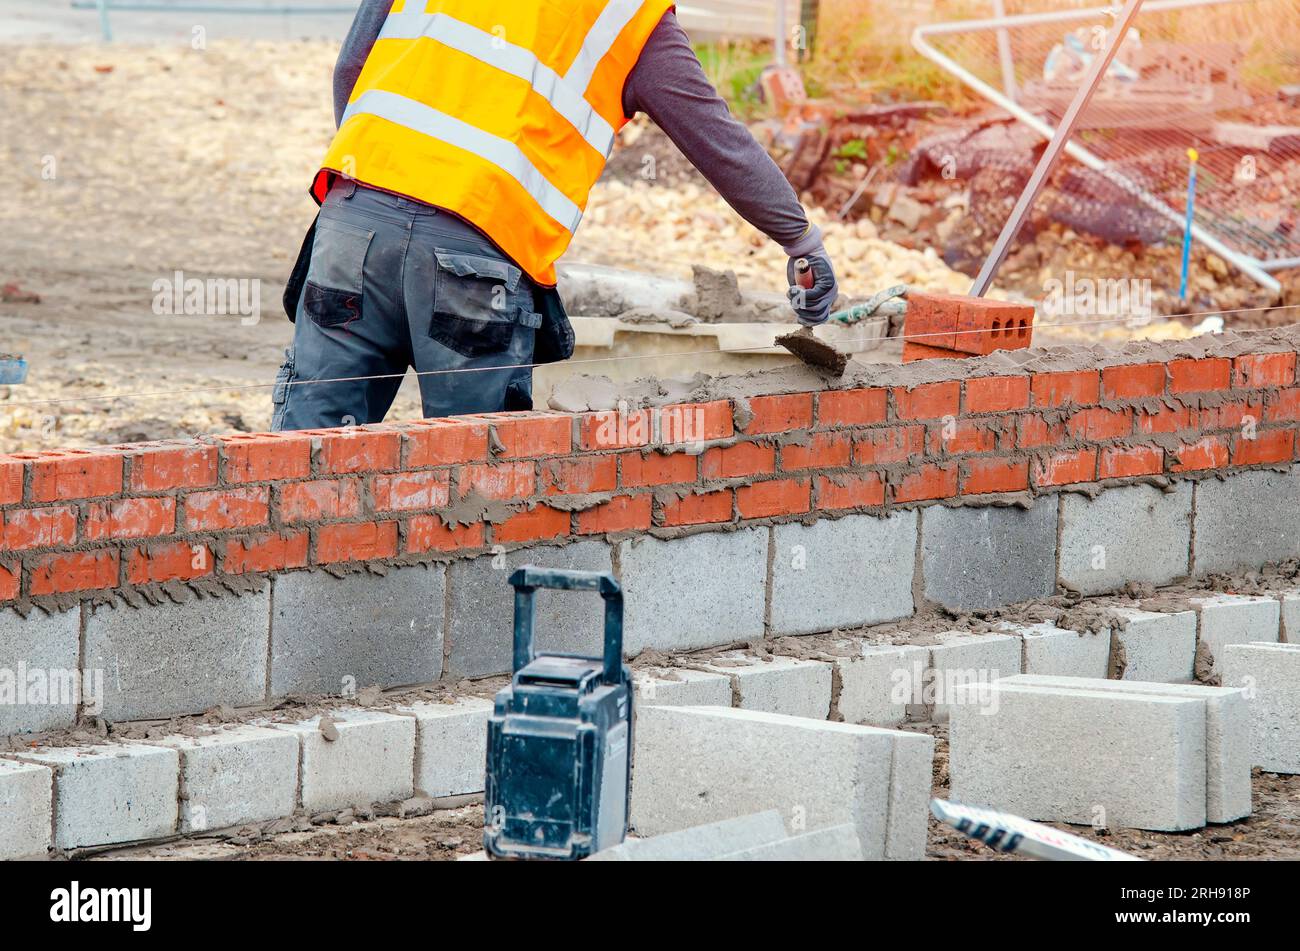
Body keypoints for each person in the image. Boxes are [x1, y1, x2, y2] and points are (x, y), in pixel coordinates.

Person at [272, 0, 839, 431]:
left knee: (309, 453)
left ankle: (289, 585)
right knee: (469, 473)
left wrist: (382, 182)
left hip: (354, 224)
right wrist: (799, 239)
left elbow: (351, 69)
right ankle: (465, 590)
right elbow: (717, 139)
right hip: (476, 249)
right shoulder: (628, 18)